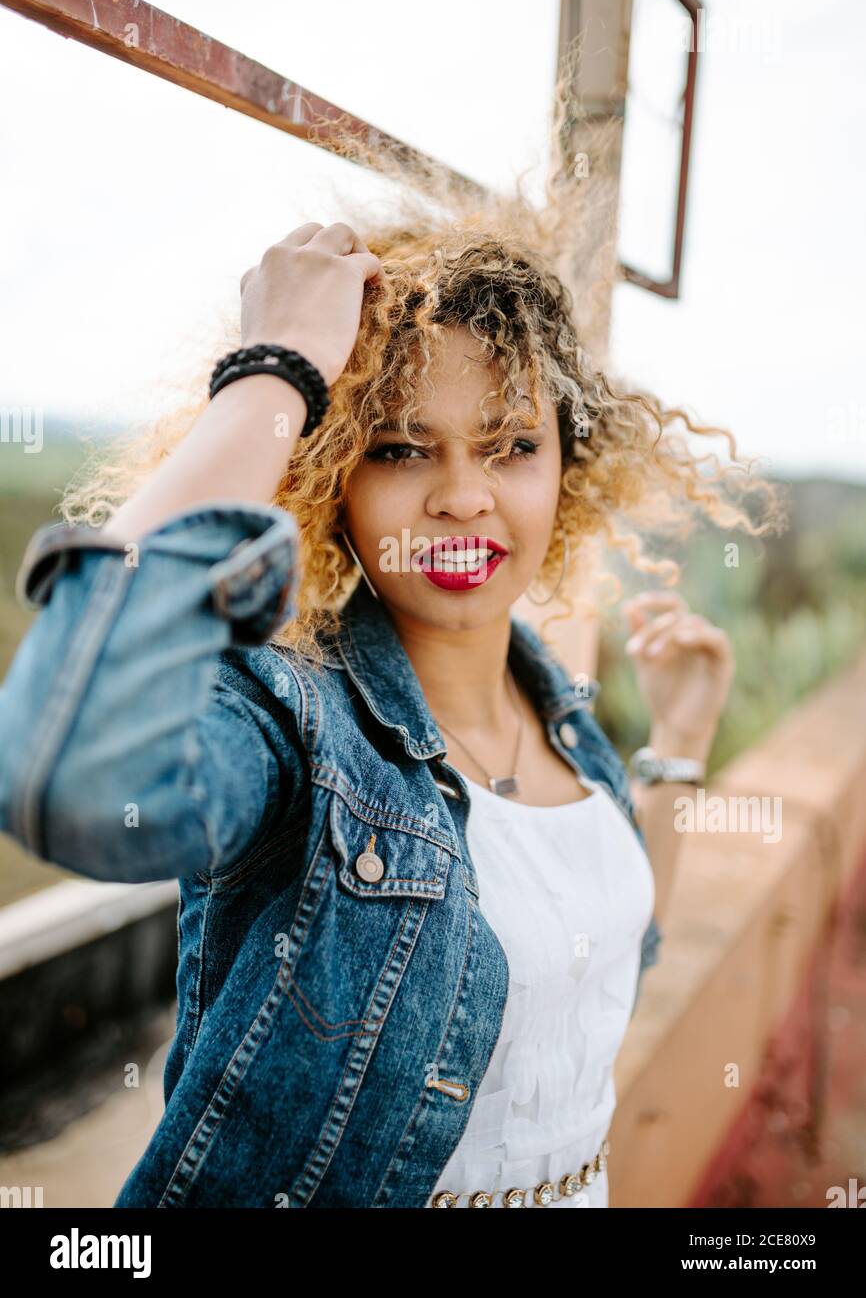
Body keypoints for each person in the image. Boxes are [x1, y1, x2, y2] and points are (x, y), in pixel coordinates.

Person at [0, 67, 784, 1206]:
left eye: (511, 443)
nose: (463, 496)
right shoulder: (292, 722)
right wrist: (275, 373)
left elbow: (607, 948)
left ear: (567, 470)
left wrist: (676, 740)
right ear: (331, 478)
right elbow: (65, 771)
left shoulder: (553, 705)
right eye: (403, 448)